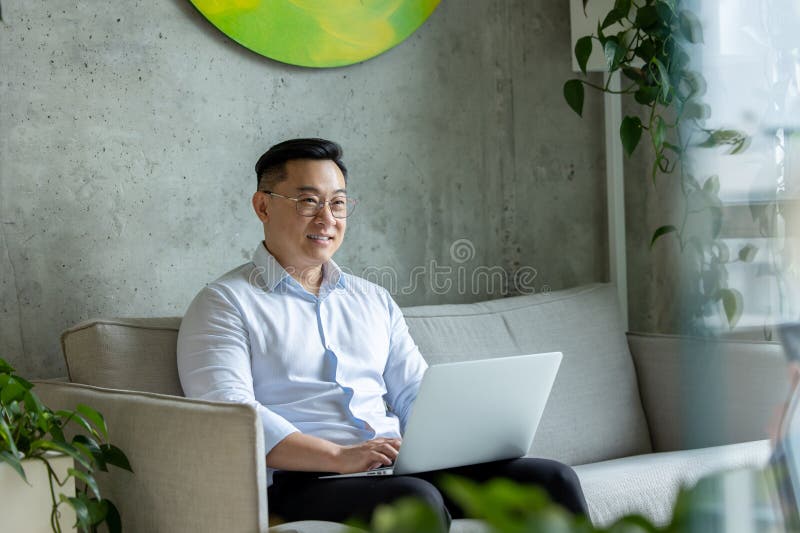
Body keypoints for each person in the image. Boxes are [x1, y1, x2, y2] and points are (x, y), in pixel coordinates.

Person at [177, 138, 589, 530]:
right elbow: (231, 416)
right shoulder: (225, 304)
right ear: (263, 206)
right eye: (308, 201)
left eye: (338, 204)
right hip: (302, 480)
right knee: (415, 500)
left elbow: (414, 394)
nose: (327, 219)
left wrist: (459, 443)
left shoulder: (372, 299)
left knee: (552, 480)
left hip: (392, 467)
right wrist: (338, 456)